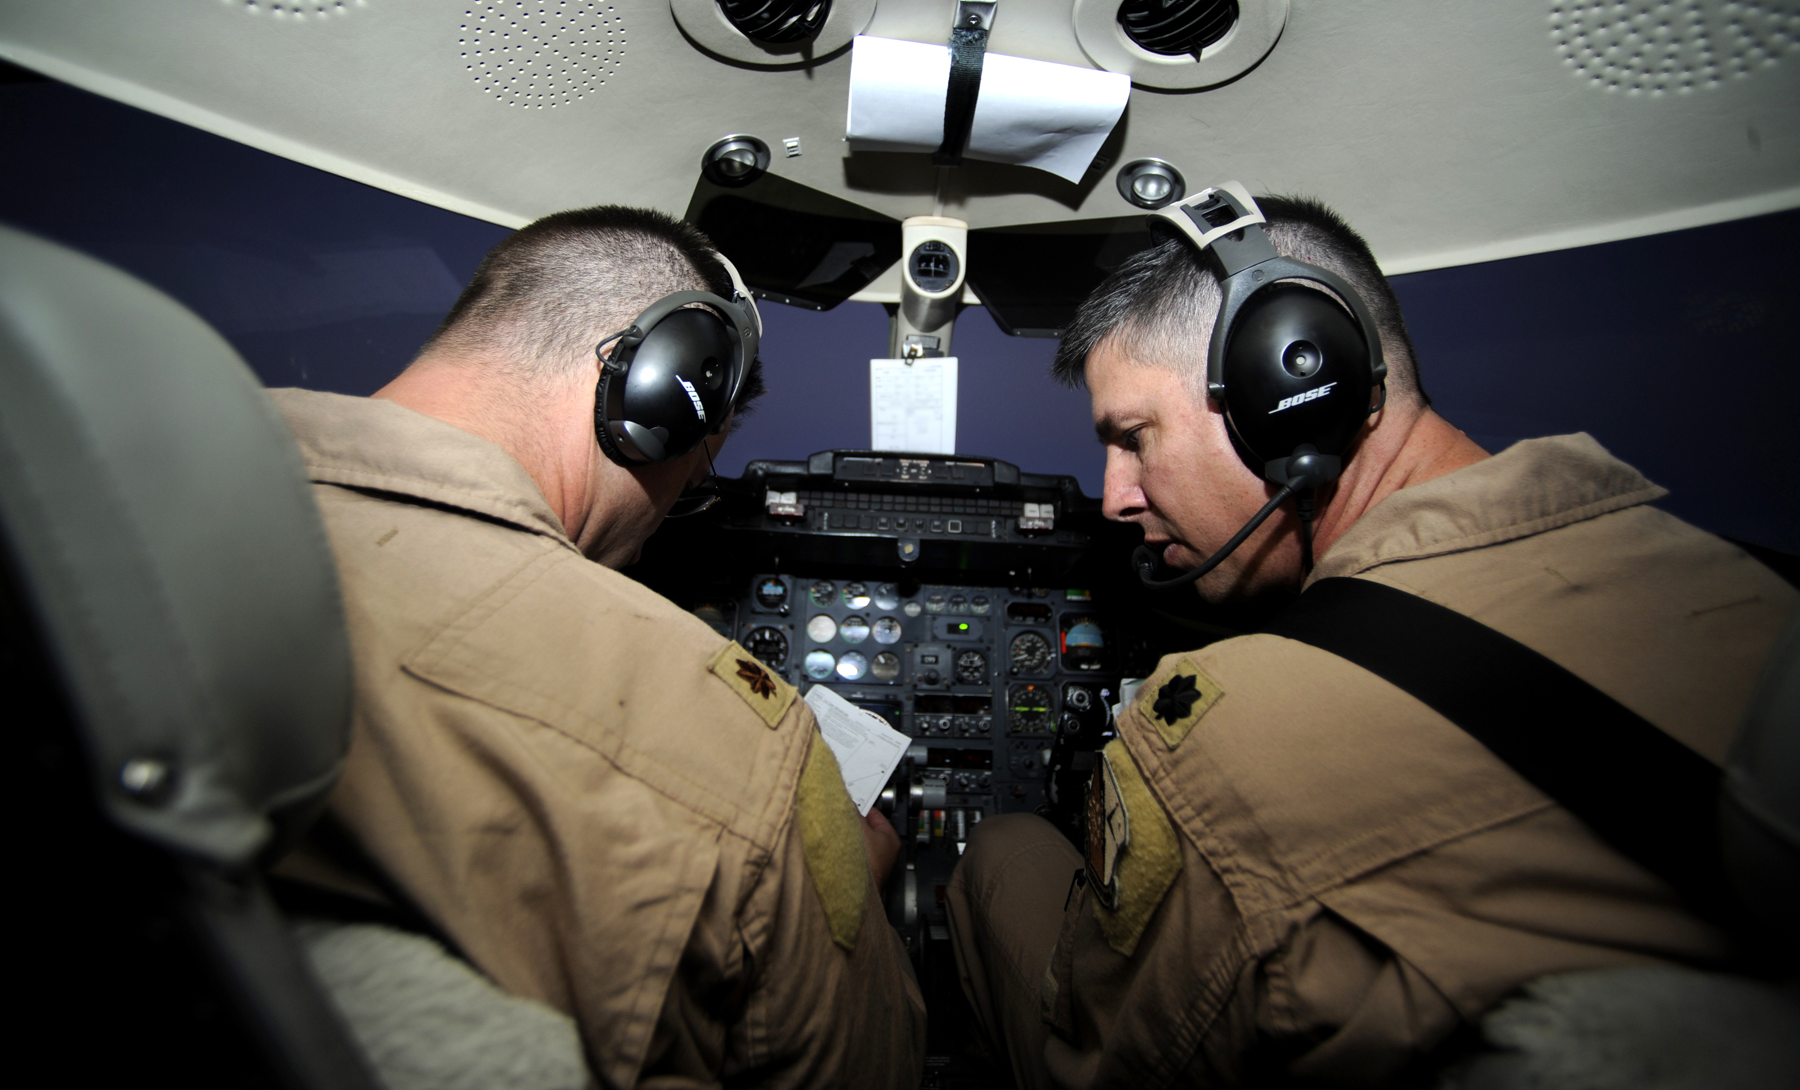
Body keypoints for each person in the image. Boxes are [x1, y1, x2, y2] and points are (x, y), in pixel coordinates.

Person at [945, 194, 1797, 1087]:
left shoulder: (1227, 738)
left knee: (1002, 851)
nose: (1115, 495)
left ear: (1289, 397)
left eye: (1132, 437)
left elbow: (1110, 1061)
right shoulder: (1752, 584)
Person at [270, 206, 925, 1088]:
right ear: (660, 394)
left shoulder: (89, 505)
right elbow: (865, 1066)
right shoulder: (730, 736)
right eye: (689, 485)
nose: (657, 530)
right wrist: (852, 885)